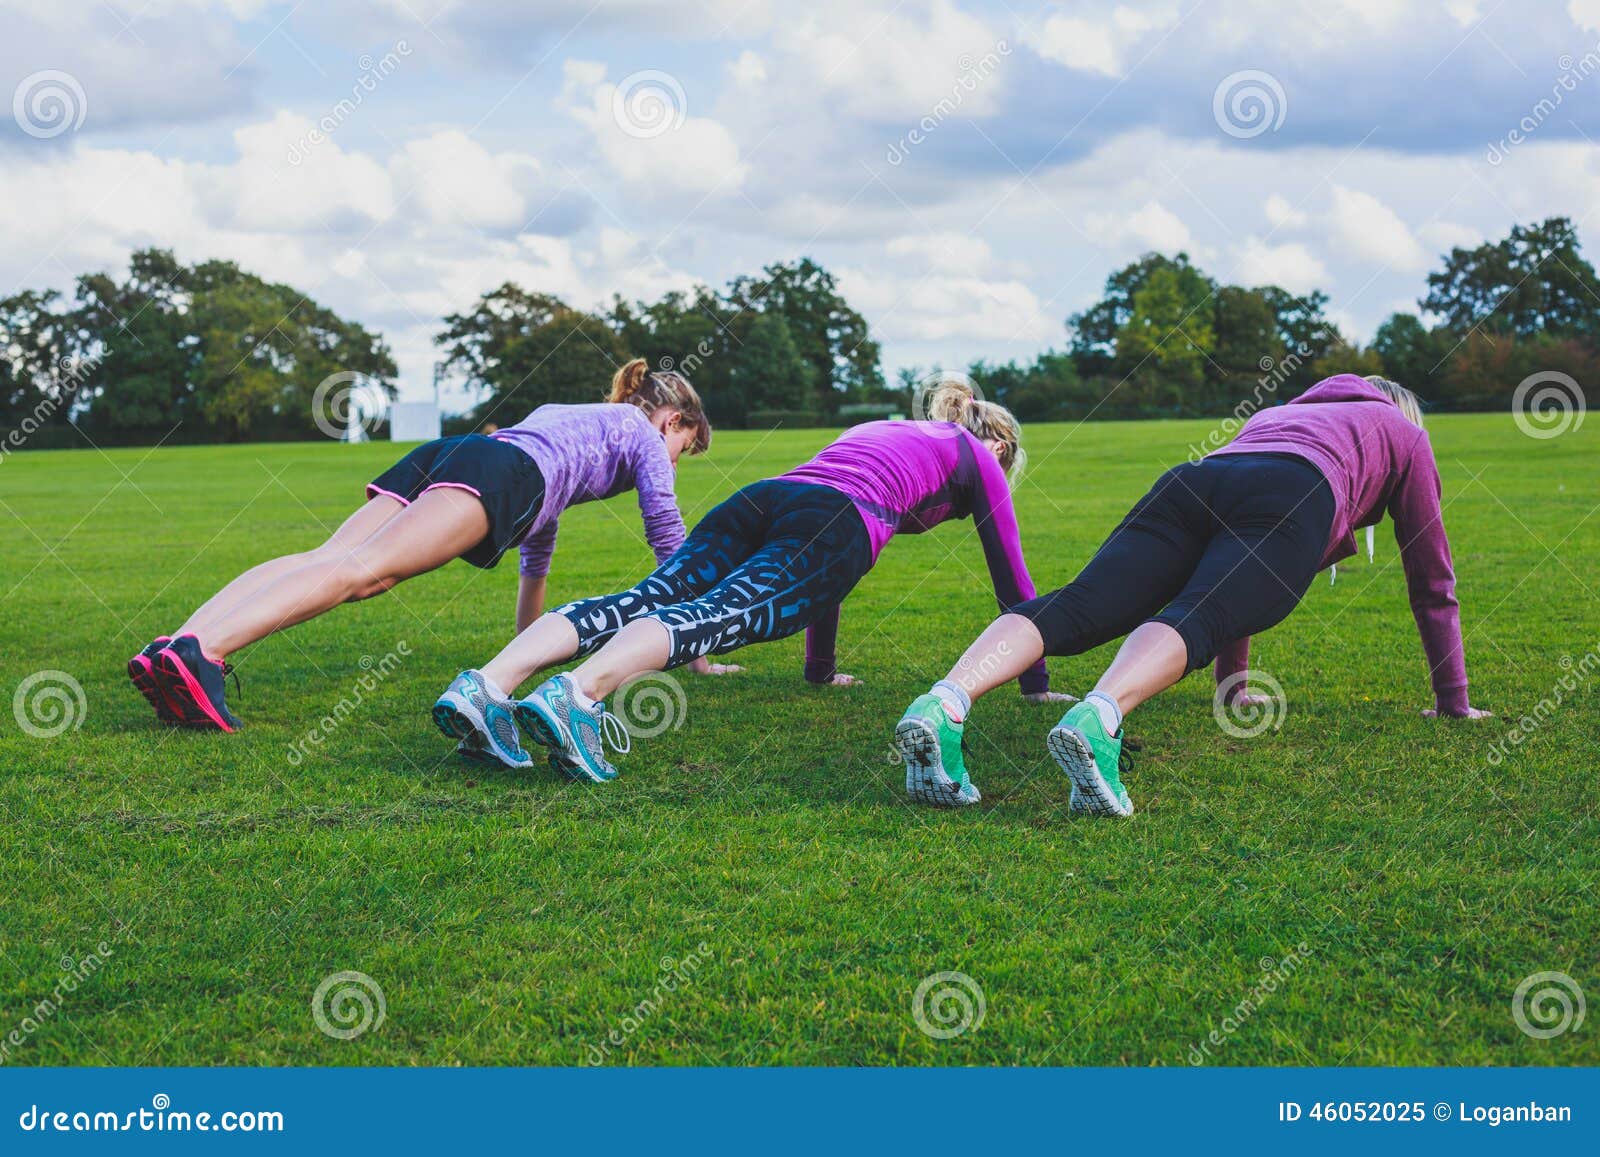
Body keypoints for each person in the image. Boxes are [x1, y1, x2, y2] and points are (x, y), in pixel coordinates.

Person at [895, 374, 1491, 816]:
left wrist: (1235, 685)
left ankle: (943, 703)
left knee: (1077, 604)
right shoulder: (1403, 434)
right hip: (1297, 492)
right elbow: (1433, 583)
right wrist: (1453, 701)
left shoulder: (1279, 413)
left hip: (1192, 481)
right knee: (1197, 614)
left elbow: (1230, 564)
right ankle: (1100, 720)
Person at [433, 377, 1070, 780]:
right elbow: (1013, 584)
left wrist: (819, 668)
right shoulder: (977, 461)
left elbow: (827, 549)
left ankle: (488, 686)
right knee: (713, 618)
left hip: (762, 500)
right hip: (833, 523)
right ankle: (577, 695)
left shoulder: (882, 430)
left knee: (645, 597)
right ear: (999, 451)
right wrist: (1035, 685)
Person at [128, 359, 711, 734]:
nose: (676, 459)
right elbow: (665, 529)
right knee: (364, 573)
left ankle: (178, 646)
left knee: (326, 558)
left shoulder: (578, 419)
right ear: (674, 421)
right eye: (685, 446)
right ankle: (206, 653)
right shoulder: (639, 431)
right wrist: (694, 642)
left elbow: (538, 551)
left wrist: (526, 651)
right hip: (504, 476)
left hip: (460, 451)